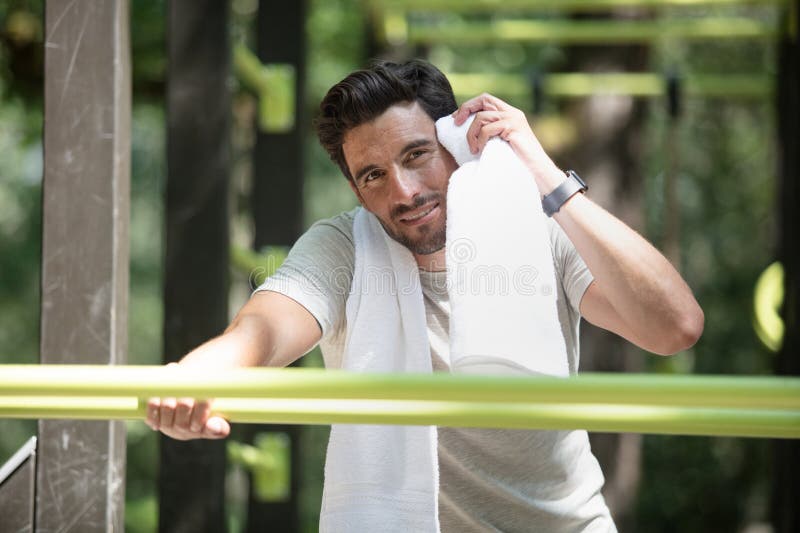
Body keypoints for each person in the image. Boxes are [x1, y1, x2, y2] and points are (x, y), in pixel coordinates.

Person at [146, 59, 704, 531]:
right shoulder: (344, 246)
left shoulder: (537, 225)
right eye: (373, 176)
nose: (404, 191)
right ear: (356, 191)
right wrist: (192, 378)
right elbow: (260, 331)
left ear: (457, 144)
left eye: (416, 155)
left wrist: (544, 173)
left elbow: (674, 327)